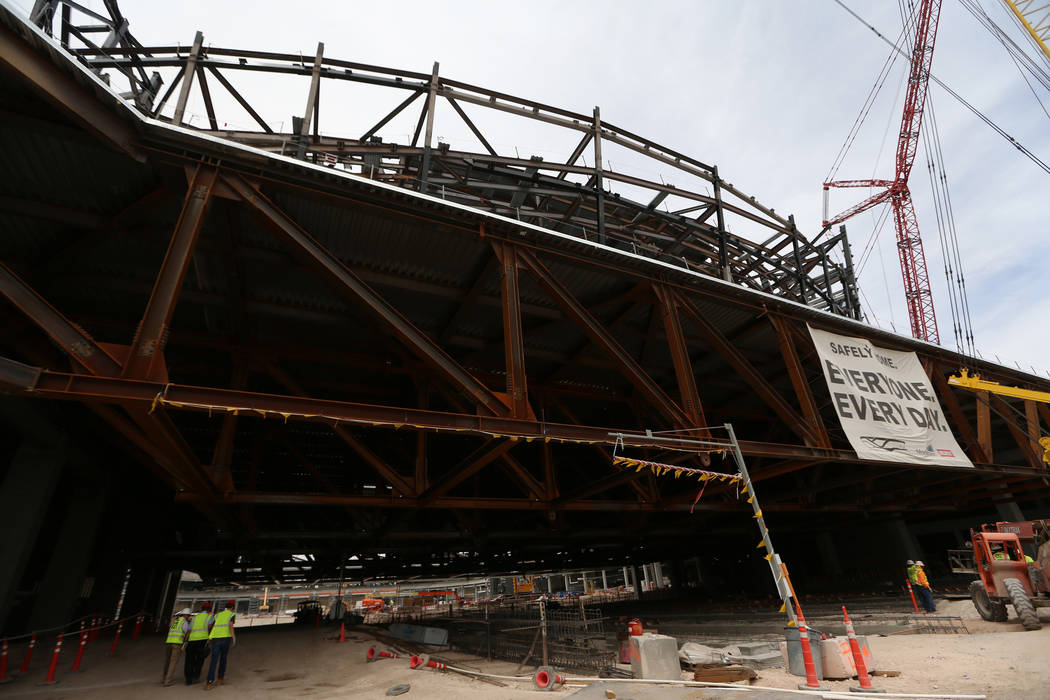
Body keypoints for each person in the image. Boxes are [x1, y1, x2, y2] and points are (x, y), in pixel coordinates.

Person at [205, 600, 237, 690]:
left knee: (213, 661)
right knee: (223, 659)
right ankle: (220, 679)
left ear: (226, 607)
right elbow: (230, 625)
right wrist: (234, 637)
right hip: (225, 639)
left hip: (215, 639)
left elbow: (213, 627)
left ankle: (209, 683)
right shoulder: (232, 615)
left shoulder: (217, 615)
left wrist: (209, 638)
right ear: (233, 608)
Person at [184, 602, 214, 685]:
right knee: (200, 659)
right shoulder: (209, 617)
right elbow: (210, 628)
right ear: (209, 610)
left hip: (191, 640)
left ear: (201, 609)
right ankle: (195, 676)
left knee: (189, 660)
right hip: (202, 640)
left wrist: (185, 641)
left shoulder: (194, 618)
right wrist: (210, 638)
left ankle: (188, 679)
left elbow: (189, 630)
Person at [162, 608, 192, 687]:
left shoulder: (175, 621)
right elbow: (186, 633)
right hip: (177, 643)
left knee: (167, 661)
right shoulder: (184, 622)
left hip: (169, 642)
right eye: (189, 615)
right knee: (173, 662)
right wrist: (185, 643)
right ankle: (167, 681)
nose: (189, 617)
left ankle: (164, 678)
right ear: (186, 615)